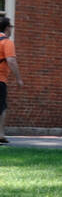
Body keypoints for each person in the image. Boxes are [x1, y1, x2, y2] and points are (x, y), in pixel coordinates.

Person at [0, 15, 23, 144]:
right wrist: (19, 79)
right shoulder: (7, 42)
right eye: (11, 26)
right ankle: (0, 135)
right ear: (7, 28)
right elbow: (11, 61)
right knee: (1, 107)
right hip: (0, 79)